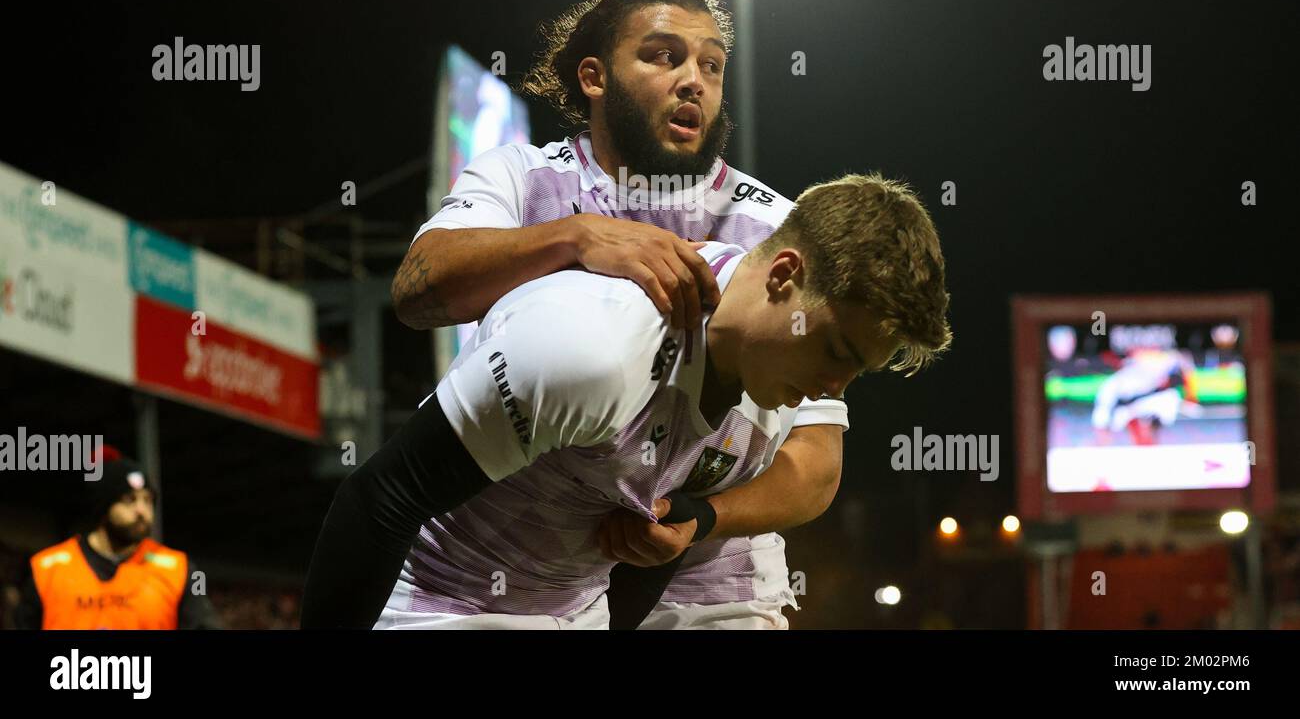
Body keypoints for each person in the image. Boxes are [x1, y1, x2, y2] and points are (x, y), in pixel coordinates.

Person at [391, 0, 851, 627]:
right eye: (663, 57)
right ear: (594, 77)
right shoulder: (524, 178)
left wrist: (703, 517)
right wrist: (573, 239)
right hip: (509, 571)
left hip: (711, 581)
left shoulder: (777, 231)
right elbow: (416, 289)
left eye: (711, 65)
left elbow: (816, 464)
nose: (693, 80)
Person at [303, 172, 952, 629]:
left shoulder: (771, 376)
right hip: (444, 604)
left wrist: (687, 524)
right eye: (838, 354)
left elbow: (648, 543)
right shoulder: (598, 344)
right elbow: (382, 497)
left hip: (572, 611)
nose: (833, 391)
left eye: (856, 372)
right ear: (784, 276)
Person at [14, 456, 220, 629]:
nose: (141, 511)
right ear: (104, 507)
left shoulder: (180, 569)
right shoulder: (45, 568)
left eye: (148, 500)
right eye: (129, 499)